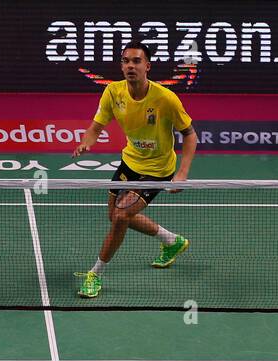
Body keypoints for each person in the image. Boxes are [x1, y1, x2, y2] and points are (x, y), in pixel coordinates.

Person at [71, 41, 197, 298]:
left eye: (136, 61)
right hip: (130, 162)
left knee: (120, 217)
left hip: (158, 169)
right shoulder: (113, 93)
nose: (130, 65)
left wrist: (181, 173)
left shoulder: (165, 98)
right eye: (126, 61)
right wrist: (86, 142)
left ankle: (95, 274)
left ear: (147, 66)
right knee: (115, 216)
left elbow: (190, 135)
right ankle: (172, 241)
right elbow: (96, 127)